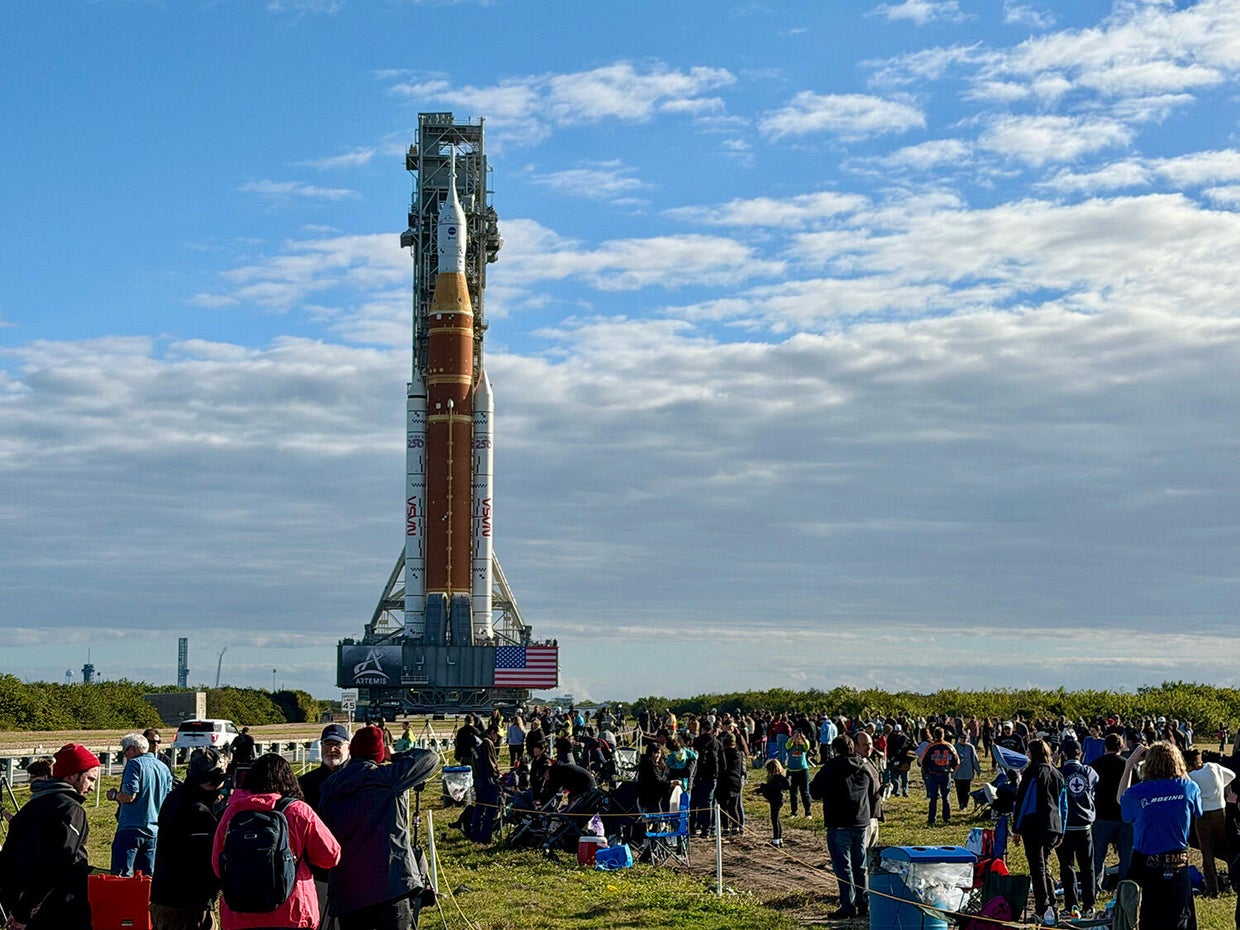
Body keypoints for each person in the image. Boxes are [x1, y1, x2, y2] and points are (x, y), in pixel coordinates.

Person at [318, 725, 439, 930]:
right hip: (390, 883)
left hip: (349, 888)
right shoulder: (388, 778)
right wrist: (395, 755)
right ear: (380, 753)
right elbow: (430, 758)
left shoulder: (331, 786)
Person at [212, 753, 340, 930]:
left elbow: (217, 866)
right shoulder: (297, 811)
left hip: (239, 915)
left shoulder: (232, 812)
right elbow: (330, 856)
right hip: (291, 912)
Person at [0, 744, 100, 930]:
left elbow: (8, 860)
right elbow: (60, 864)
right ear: (72, 775)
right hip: (61, 911)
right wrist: (24, 909)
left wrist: (16, 906)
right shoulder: (70, 809)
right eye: (90, 779)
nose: (92, 787)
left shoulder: (31, 807)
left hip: (28, 907)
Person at [1119, 741, 1201, 930]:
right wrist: (1180, 767)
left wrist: (1129, 764)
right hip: (1178, 862)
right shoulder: (1188, 788)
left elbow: (1121, 800)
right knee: (1182, 916)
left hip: (1147, 864)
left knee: (1149, 916)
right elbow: (1197, 808)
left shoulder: (1138, 793)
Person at [150, 748, 227, 930]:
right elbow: (206, 859)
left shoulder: (176, 797)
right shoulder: (197, 811)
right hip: (187, 904)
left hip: (166, 896)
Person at [810, 734, 880, 921]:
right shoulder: (865, 766)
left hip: (839, 822)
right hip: (861, 821)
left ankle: (848, 906)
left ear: (835, 750)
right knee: (860, 865)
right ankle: (863, 903)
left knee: (844, 867)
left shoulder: (832, 767)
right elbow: (874, 791)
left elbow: (814, 791)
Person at [298, 724, 350, 930]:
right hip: (316, 869)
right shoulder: (305, 783)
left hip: (351, 865)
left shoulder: (358, 777)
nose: (332, 750)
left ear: (348, 747)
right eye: (327, 745)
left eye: (337, 745)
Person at [1012, 738, 1065, 925]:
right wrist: (1061, 829)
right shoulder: (1057, 773)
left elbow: (1023, 800)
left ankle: (1042, 907)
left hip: (1033, 824)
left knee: (1037, 867)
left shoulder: (1032, 773)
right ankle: (1052, 905)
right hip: (1053, 825)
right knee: (1045, 865)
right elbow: (1063, 804)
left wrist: (1016, 828)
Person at [108, 731, 174, 877]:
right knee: (146, 878)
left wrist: (114, 796)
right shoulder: (163, 767)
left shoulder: (134, 764)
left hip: (131, 827)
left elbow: (128, 796)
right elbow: (169, 798)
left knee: (120, 877)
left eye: (125, 751)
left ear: (132, 749)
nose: (124, 755)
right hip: (153, 830)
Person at [1057, 738, 1099, 918]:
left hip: (1065, 827)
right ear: (1080, 754)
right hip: (1084, 826)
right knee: (1087, 866)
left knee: (1067, 866)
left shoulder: (1059, 773)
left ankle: (1071, 904)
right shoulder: (1088, 771)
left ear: (1064, 754)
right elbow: (1095, 782)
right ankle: (1089, 905)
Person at [1185, 748, 1234, 898]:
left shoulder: (1190, 776)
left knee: (1207, 852)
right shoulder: (1214, 767)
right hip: (1221, 811)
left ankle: (1213, 889)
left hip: (1203, 815)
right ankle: (1233, 881)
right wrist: (1219, 788)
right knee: (1226, 849)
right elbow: (1232, 775)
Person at [1090, 732, 1133, 893]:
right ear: (1121, 746)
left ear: (1105, 746)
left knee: (1098, 856)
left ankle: (1094, 886)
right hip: (1124, 816)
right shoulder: (1127, 765)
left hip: (1101, 815)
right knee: (1126, 855)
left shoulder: (1095, 764)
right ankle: (1124, 887)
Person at [919, 727, 959, 826]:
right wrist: (952, 771)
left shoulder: (930, 747)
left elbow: (922, 761)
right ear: (943, 735)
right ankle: (947, 818)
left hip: (933, 775)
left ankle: (931, 820)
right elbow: (957, 761)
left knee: (933, 798)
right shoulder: (950, 746)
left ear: (934, 735)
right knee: (946, 798)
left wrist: (927, 771)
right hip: (946, 775)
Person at [471, 725, 502, 843]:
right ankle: (485, 836)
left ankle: (475, 834)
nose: (497, 738)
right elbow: (490, 763)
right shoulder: (487, 743)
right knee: (490, 809)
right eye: (497, 735)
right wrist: (497, 774)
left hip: (479, 780)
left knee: (479, 808)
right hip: (488, 781)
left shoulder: (479, 741)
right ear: (492, 732)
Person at [0, 759, 52, 824]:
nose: (30, 780)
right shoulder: (59, 795)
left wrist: (2, 810)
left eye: (32, 777)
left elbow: (17, 823)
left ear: (45, 777)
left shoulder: (41, 800)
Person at [757, 759, 790, 847]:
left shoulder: (775, 779)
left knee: (775, 820)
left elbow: (770, 788)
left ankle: (776, 841)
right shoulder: (781, 778)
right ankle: (779, 839)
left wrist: (762, 788)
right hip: (779, 800)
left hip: (775, 800)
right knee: (777, 820)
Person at [785, 729, 812, 817]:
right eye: (796, 737)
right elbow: (787, 746)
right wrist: (792, 738)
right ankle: (794, 812)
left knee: (805, 792)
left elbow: (807, 746)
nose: (798, 738)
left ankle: (808, 812)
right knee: (793, 793)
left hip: (802, 771)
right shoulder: (791, 746)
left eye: (799, 737)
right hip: (792, 771)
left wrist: (804, 739)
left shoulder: (803, 747)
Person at [952, 731, 981, 813]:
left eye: (965, 738)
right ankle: (960, 803)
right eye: (962, 738)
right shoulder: (955, 747)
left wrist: (977, 769)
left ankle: (965, 804)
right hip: (958, 773)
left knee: (966, 789)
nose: (963, 739)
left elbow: (975, 759)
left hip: (968, 773)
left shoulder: (970, 747)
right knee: (959, 789)